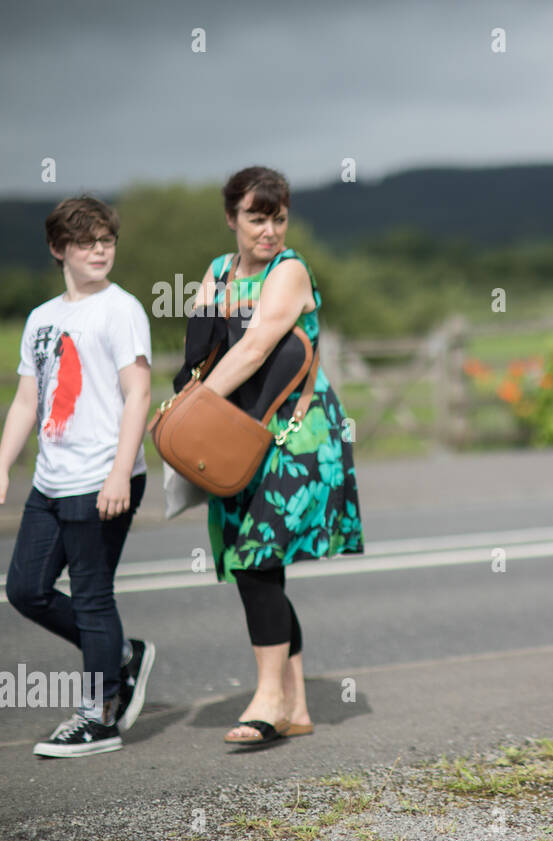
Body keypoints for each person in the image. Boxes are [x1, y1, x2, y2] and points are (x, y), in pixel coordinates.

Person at [179, 165, 363, 745]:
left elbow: (257, 348)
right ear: (231, 218)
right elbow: (199, 349)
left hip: (295, 436)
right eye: (257, 218)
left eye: (278, 218)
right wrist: (190, 388)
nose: (270, 230)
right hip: (237, 432)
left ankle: (266, 700)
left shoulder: (291, 272)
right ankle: (297, 705)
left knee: (256, 561)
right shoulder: (216, 271)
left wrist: (196, 410)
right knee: (258, 568)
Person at [0, 195, 155, 757]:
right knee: (25, 590)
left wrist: (119, 473)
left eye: (106, 241)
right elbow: (25, 402)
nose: (99, 250)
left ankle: (100, 715)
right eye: (86, 242)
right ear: (58, 248)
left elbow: (138, 394)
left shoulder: (121, 309)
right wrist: (2, 465)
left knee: (92, 598)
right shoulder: (43, 318)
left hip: (103, 477)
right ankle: (118, 655)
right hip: (50, 480)